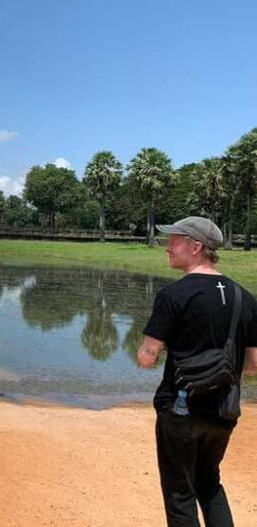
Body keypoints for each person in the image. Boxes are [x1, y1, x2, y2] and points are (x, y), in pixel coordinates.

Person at [137, 216, 257, 527]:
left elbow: (148, 357)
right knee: (209, 483)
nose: (167, 248)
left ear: (196, 247)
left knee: (180, 491)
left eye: (173, 241)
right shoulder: (245, 297)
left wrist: (146, 351)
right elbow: (254, 365)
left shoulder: (173, 295)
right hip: (223, 411)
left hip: (180, 409)